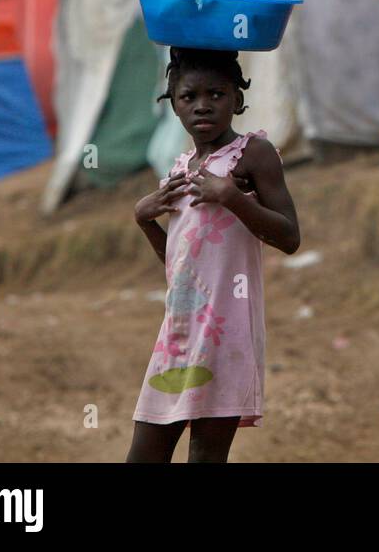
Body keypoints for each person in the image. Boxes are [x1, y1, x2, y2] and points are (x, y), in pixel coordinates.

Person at [127, 48, 300, 463]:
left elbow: (290, 237)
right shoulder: (181, 169)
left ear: (237, 100)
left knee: (205, 455)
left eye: (217, 94)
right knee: (144, 454)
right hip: (179, 332)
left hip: (227, 333)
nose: (203, 105)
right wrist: (146, 220)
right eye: (189, 97)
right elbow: (181, 268)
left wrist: (232, 198)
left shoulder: (252, 154)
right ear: (172, 103)